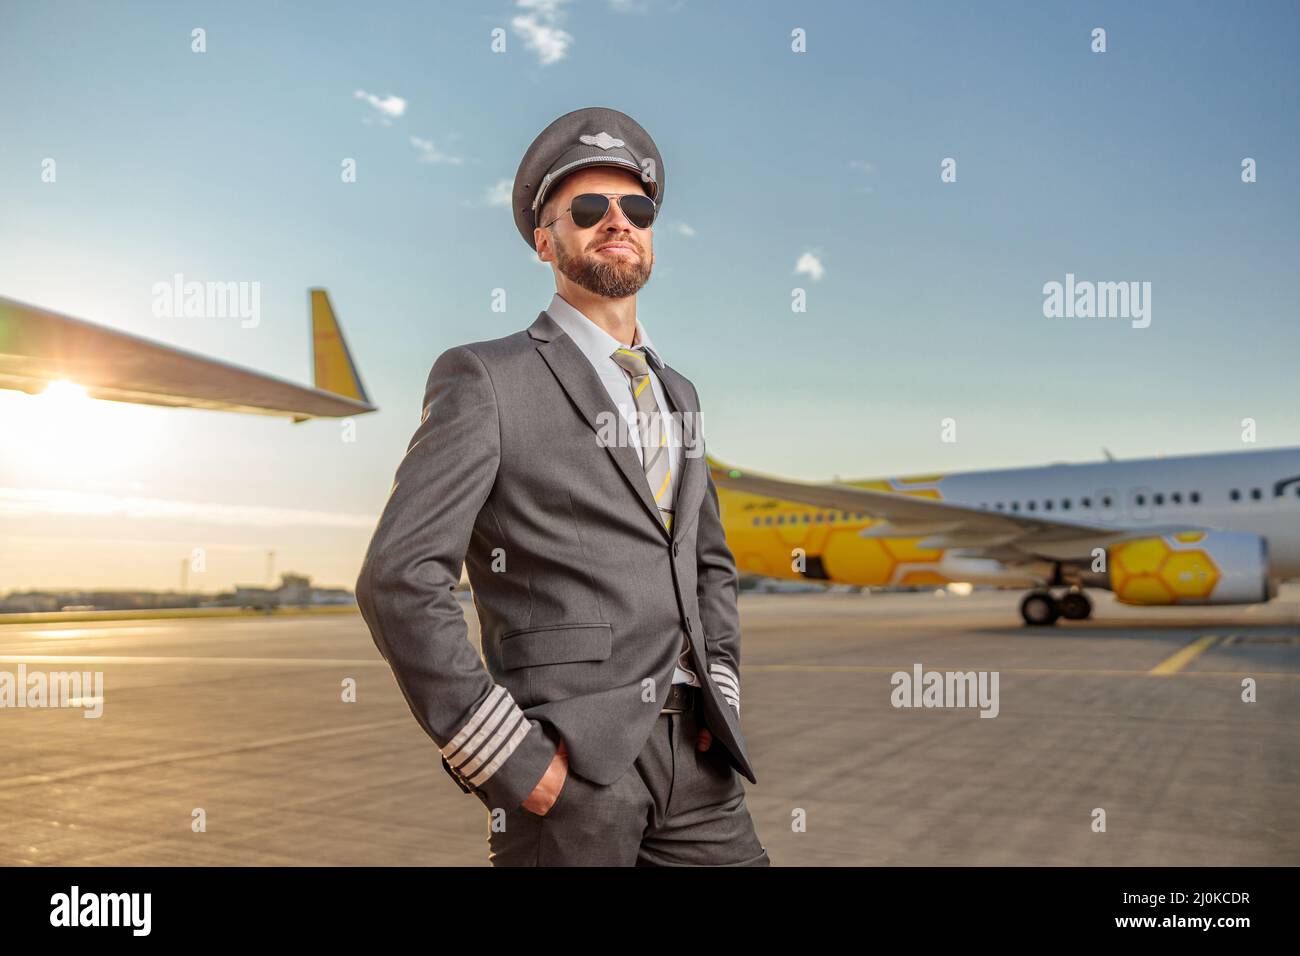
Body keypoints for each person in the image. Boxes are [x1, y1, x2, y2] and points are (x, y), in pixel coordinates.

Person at [355, 106, 769, 866]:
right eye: (588, 208)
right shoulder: (486, 378)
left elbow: (708, 563)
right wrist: (508, 758)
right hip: (573, 772)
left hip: (702, 762)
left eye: (636, 208)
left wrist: (722, 694)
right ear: (546, 241)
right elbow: (398, 577)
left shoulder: (681, 394)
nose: (618, 221)